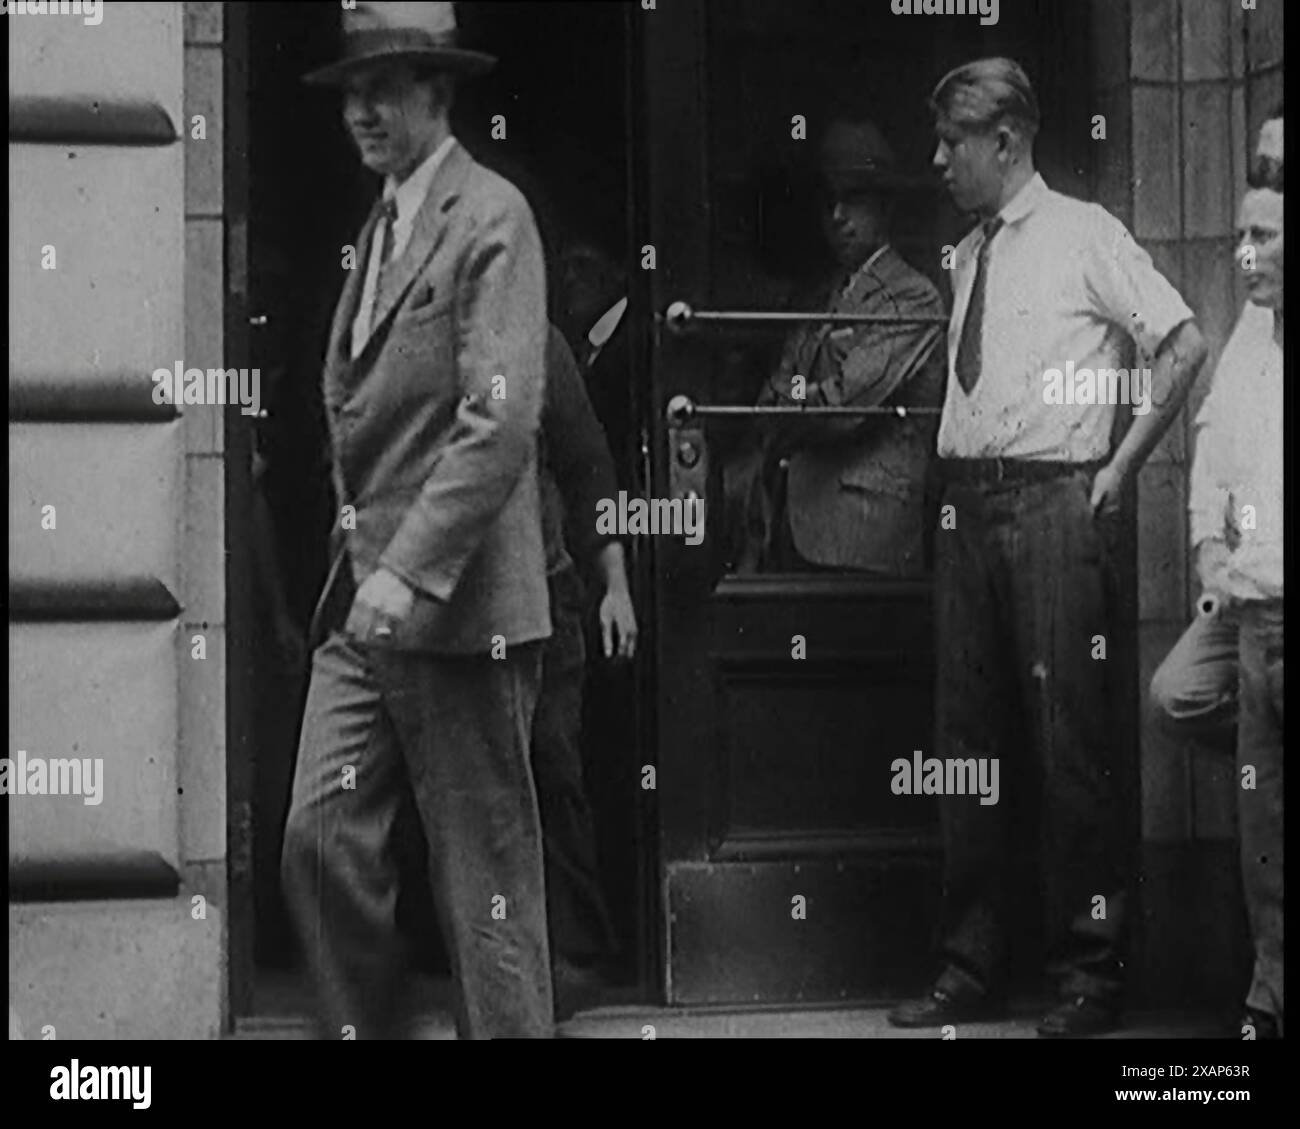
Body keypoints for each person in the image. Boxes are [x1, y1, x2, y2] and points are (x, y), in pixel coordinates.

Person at [888, 57, 1208, 1037]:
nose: (938, 160)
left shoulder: (1083, 235)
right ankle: (969, 962)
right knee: (965, 746)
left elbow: (1182, 342)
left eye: (952, 142)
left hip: (1053, 507)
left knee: (1070, 746)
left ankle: (1089, 972)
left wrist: (1116, 471)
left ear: (1006, 141)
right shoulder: (966, 252)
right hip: (968, 515)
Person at [281, 1, 554, 1039]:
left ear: (437, 95)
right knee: (316, 839)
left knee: (484, 892)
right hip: (365, 609)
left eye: (382, 89)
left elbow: (499, 420)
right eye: (351, 91)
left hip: (462, 607)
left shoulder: (491, 218)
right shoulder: (382, 226)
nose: (360, 111)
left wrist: (409, 566)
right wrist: (369, 573)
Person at [1149, 108, 1284, 1038]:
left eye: (1263, 235)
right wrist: (1214, 550)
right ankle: (1270, 991)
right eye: (1238, 234)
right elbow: (1214, 451)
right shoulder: (1250, 336)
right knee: (1256, 812)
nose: (1243, 251)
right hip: (1254, 617)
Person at [743, 116, 946, 574]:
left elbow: (846, 404)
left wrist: (794, 397)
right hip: (796, 527)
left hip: (867, 539)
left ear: (885, 207)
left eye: (853, 200)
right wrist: (798, 395)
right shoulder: (823, 293)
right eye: (829, 202)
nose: (837, 217)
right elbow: (774, 393)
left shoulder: (912, 296)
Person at [535, 325, 636, 1018]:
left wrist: (616, 585)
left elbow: (588, 464)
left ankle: (572, 954)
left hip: (543, 593)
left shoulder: (542, 346)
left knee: (552, 765)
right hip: (443, 611)